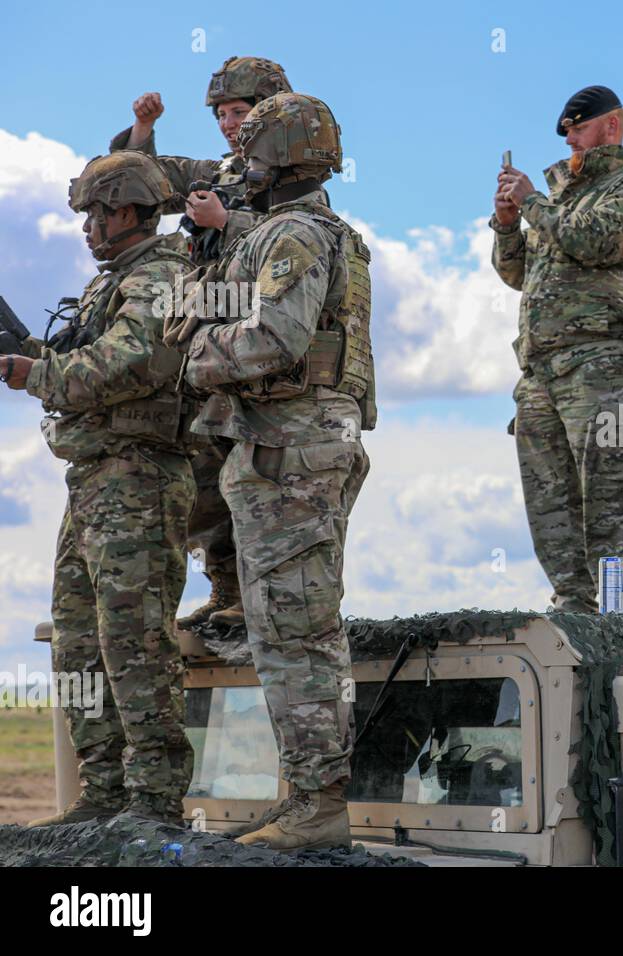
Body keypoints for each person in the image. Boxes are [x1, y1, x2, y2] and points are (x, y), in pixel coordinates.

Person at [171, 92, 376, 850]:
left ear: (271, 158)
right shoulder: (316, 231)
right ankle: (307, 798)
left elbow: (277, 339)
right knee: (287, 627)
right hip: (287, 447)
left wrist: (192, 355)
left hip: (292, 452)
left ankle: (318, 806)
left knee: (296, 632)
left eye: (248, 153)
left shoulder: (292, 234)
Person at [2, 153, 195, 826]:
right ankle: (104, 790)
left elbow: (138, 359)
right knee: (79, 642)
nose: (87, 227)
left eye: (95, 213)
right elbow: (89, 360)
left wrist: (37, 376)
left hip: (138, 475)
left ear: (128, 211)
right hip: (92, 478)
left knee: (135, 640)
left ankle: (153, 797)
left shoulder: (164, 276)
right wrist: (29, 355)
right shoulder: (109, 282)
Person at [113, 55, 294, 632]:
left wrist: (224, 223)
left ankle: (255, 597)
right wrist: (142, 130)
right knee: (207, 470)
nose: (227, 124)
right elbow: (139, 180)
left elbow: (299, 243)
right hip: (208, 349)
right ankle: (224, 590)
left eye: (239, 112)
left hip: (258, 348)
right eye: (220, 113)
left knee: (252, 477)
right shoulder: (216, 172)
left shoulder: (292, 173)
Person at [492, 85, 623, 612]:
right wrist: (505, 226)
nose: (570, 137)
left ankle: (619, 613)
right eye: (565, 130)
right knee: (549, 494)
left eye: (579, 127)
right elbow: (519, 273)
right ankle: (573, 599)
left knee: (611, 495)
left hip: (605, 361)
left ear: (611, 126)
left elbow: (594, 240)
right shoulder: (559, 195)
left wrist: (531, 204)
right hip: (544, 368)